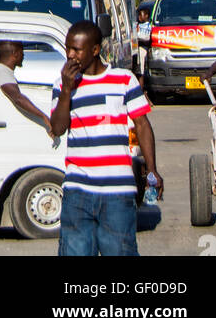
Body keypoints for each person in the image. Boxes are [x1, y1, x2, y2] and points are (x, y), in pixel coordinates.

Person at [50, 20, 163, 256]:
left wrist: (152, 169)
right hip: (78, 189)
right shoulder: (62, 84)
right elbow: (58, 128)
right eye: (68, 48)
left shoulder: (124, 80)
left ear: (95, 49)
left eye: (76, 49)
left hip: (117, 192)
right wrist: (67, 91)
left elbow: (142, 124)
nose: (70, 55)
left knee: (120, 251)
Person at [0, 42, 54, 136]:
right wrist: (43, 116)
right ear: (15, 53)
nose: (23, 55)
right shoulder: (1, 72)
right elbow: (18, 99)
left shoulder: (4, 71)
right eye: (22, 51)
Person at [136, 5, 153, 78]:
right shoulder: (138, 25)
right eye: (138, 15)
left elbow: (146, 37)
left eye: (141, 15)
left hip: (144, 48)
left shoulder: (148, 26)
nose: (139, 17)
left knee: (142, 68)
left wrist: (137, 35)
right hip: (138, 48)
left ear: (146, 16)